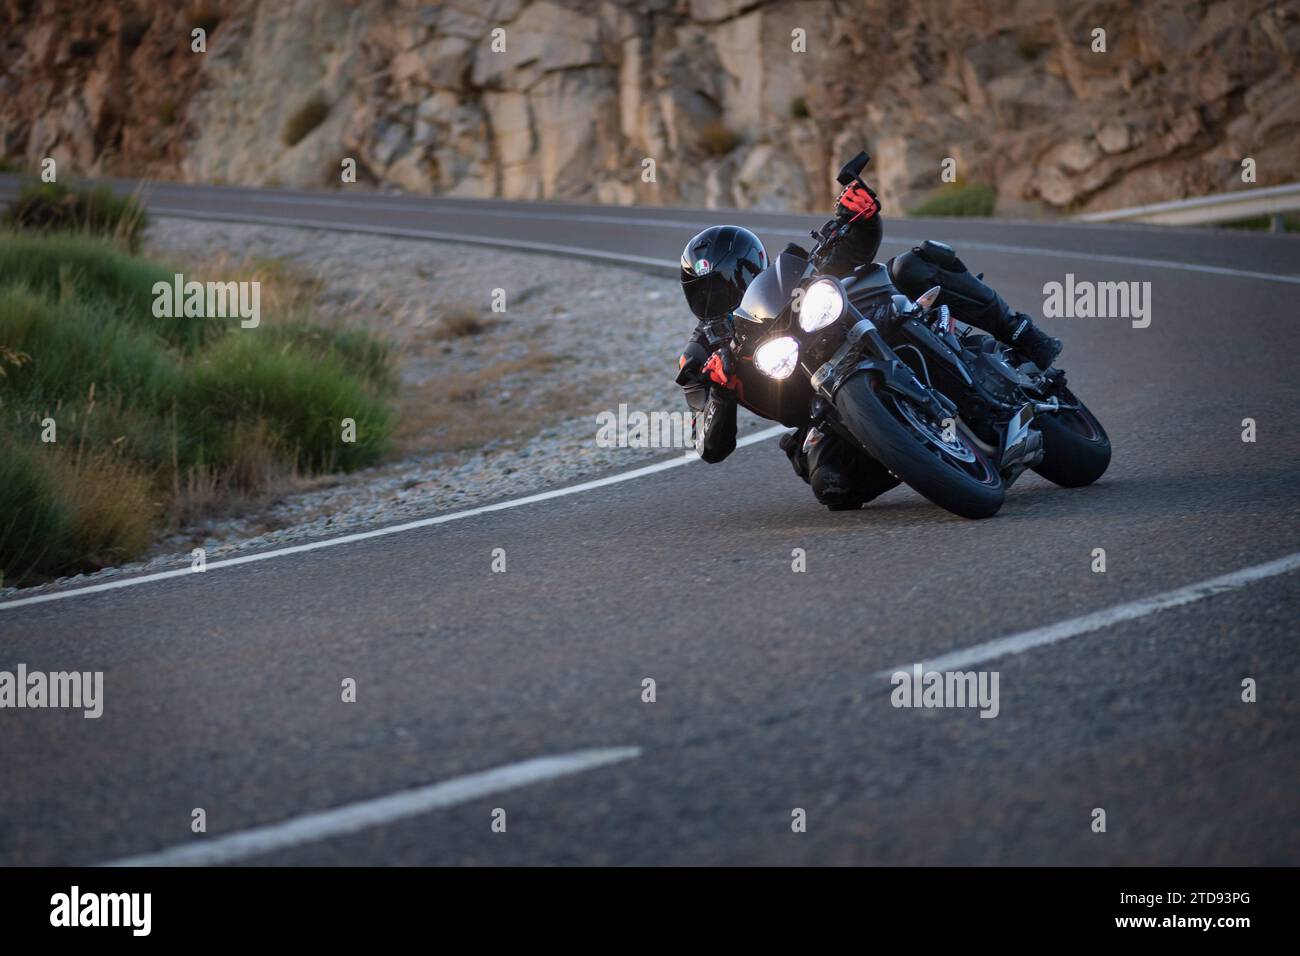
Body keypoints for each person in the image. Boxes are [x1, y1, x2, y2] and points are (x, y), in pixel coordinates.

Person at [674, 179, 1062, 510]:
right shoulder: (701, 356)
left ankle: (1020, 334)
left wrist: (863, 216)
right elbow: (709, 446)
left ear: (755, 269)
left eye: (729, 284)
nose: (721, 298)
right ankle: (914, 454)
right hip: (823, 416)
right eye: (707, 294)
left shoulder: (787, 285)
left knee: (912, 267)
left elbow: (846, 252)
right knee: (831, 484)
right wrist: (721, 393)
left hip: (867, 337)